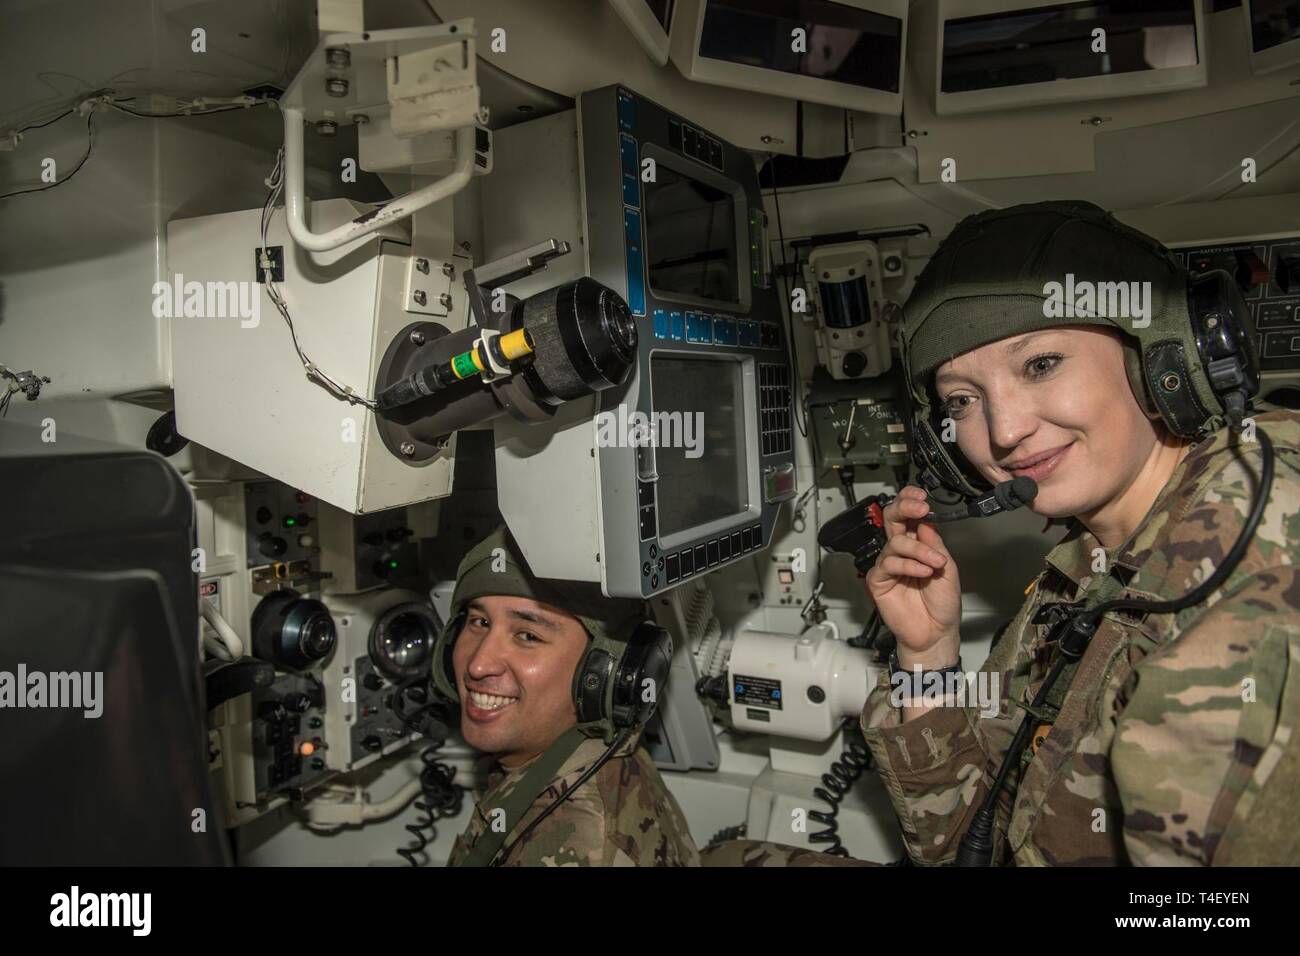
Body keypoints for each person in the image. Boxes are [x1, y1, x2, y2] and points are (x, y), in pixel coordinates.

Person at [860, 200, 1300, 865]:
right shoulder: (1092, 565)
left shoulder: (1256, 580)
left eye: (1040, 364)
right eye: (962, 399)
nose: (1004, 432)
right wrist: (928, 657)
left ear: (1158, 359)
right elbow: (966, 845)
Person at [435, 524, 699, 866]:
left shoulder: (577, 846)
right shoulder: (588, 758)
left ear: (604, 675)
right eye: (479, 622)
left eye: (528, 636)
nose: (478, 664)